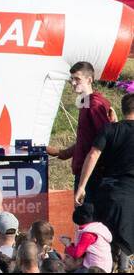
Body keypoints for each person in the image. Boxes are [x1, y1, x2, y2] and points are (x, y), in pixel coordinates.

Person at [74, 90, 134, 270]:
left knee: (104, 238)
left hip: (105, 192)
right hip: (130, 193)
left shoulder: (109, 129)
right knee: (125, 239)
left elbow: (93, 155)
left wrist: (82, 186)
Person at [48, 61, 113, 189]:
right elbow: (88, 138)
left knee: (85, 209)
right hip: (86, 171)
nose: (73, 83)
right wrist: (63, 152)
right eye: (72, 79)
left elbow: (105, 138)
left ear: (89, 79)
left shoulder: (94, 104)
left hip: (91, 174)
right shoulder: (86, 102)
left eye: (77, 79)